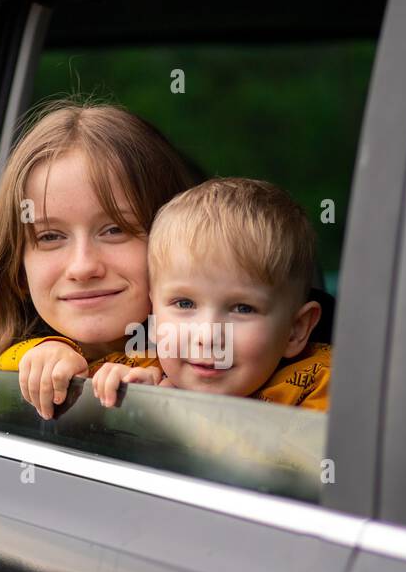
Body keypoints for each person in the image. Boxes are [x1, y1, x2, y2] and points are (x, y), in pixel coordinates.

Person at [0, 98, 195, 418]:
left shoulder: (235, 361)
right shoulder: (12, 371)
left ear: (181, 243)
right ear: (17, 270)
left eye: (115, 229)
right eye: (50, 237)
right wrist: (41, 357)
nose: (83, 267)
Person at [91, 176, 331, 411]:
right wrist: (130, 402)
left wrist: (179, 416)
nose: (207, 337)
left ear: (296, 330)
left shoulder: (324, 387)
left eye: (242, 308)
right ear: (153, 311)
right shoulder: (138, 368)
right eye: (184, 304)